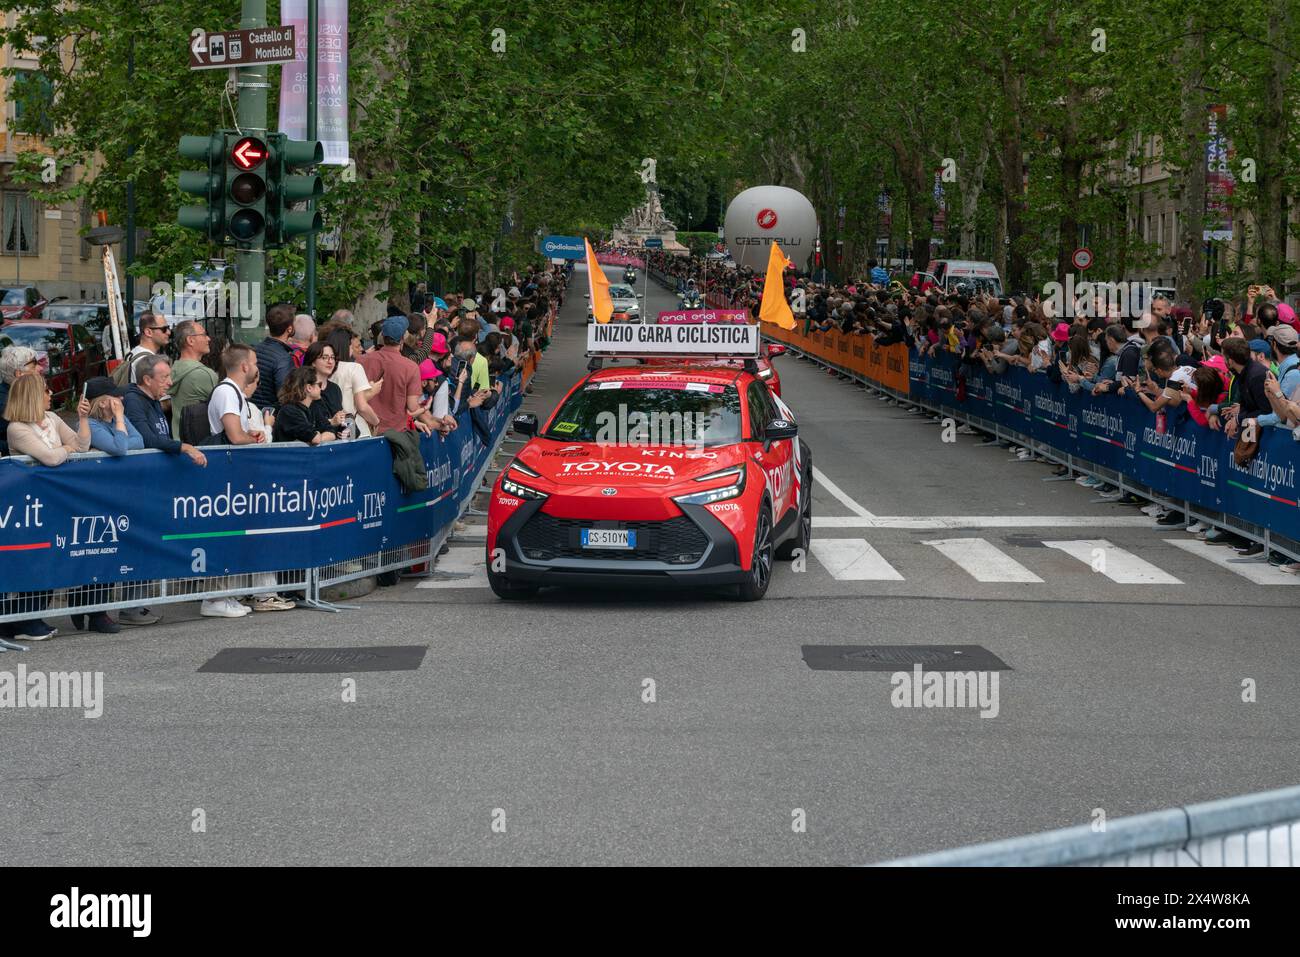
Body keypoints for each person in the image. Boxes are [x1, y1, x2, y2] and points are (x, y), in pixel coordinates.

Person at [2, 374, 91, 641]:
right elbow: (51, 458)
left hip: (55, 501)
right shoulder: (17, 428)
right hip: (28, 505)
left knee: (51, 559)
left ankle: (28, 618)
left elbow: (83, 445)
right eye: (45, 390)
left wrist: (83, 420)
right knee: (31, 562)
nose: (50, 393)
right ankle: (22, 620)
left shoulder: (52, 418)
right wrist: (67, 447)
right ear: (31, 395)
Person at [123, 354, 209, 466]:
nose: (170, 382)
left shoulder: (154, 398)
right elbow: (147, 439)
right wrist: (184, 447)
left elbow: (162, 436)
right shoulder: (133, 401)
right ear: (147, 380)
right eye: (164, 377)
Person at [356, 314, 436, 435]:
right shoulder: (410, 366)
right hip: (396, 434)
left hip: (365, 432)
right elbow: (412, 407)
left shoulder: (361, 360)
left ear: (382, 336)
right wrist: (425, 408)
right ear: (403, 338)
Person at [323, 327, 380, 438]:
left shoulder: (323, 369)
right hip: (354, 428)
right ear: (345, 346)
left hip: (332, 429)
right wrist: (376, 421)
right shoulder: (354, 368)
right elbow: (361, 406)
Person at [207, 343, 268, 445]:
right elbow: (236, 438)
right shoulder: (227, 392)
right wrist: (255, 440)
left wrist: (248, 433)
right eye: (255, 364)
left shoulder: (233, 392)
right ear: (245, 367)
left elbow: (237, 434)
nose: (257, 368)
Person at [168, 319, 217, 435]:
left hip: (179, 440)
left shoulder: (173, 369)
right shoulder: (203, 374)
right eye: (204, 335)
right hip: (199, 445)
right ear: (190, 340)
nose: (208, 339)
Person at [271, 367, 336, 445]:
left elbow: (331, 432)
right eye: (319, 384)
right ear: (309, 388)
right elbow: (314, 438)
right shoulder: (289, 411)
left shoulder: (314, 407)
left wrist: (319, 437)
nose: (321, 388)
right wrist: (317, 437)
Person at [253, 303, 298, 412]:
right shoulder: (284, 358)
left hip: (252, 413)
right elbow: (285, 396)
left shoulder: (255, 349)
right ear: (290, 329)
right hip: (270, 416)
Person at [0, 345, 40, 456]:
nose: (39, 368)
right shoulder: (6, 403)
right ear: (19, 374)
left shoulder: (16, 394)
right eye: (34, 365)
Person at [303, 340, 348, 439]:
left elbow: (341, 419)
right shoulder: (304, 388)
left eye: (332, 357)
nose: (330, 361)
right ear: (313, 362)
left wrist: (346, 430)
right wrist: (331, 422)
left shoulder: (335, 388)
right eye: (325, 357)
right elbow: (304, 422)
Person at [125, 309, 172, 385]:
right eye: (164, 329)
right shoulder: (147, 361)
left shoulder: (133, 353)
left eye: (168, 328)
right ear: (148, 332)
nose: (168, 332)